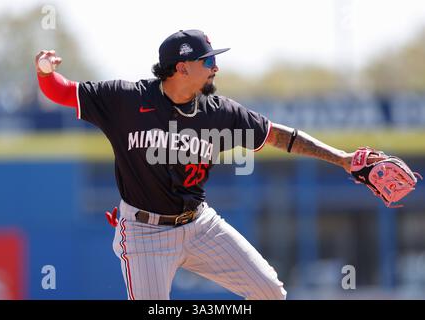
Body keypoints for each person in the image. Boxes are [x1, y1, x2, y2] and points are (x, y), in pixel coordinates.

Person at [36, 29, 357, 300]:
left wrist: (342, 159)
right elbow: (61, 92)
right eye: (208, 60)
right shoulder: (126, 101)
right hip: (144, 232)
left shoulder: (221, 112)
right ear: (182, 68)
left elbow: (279, 136)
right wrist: (45, 72)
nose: (216, 68)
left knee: (270, 292)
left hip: (200, 225)